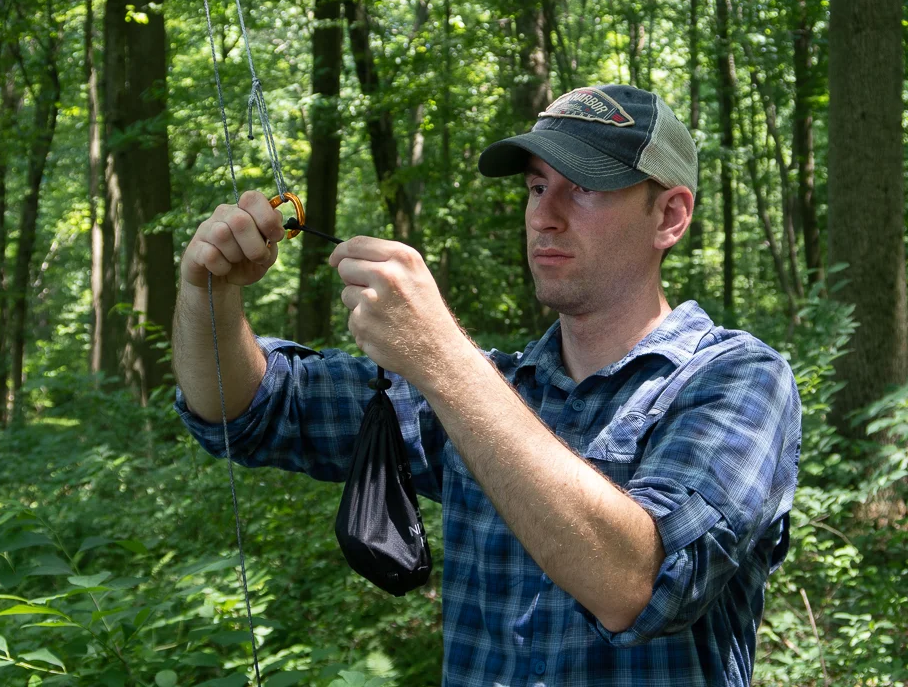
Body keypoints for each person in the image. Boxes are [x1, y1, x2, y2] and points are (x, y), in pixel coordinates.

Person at [172, 84, 801, 686]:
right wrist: (209, 292)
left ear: (669, 215)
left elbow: (639, 585)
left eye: (582, 187)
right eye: (535, 187)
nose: (543, 217)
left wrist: (442, 357)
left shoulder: (737, 379)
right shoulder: (485, 387)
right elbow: (247, 407)